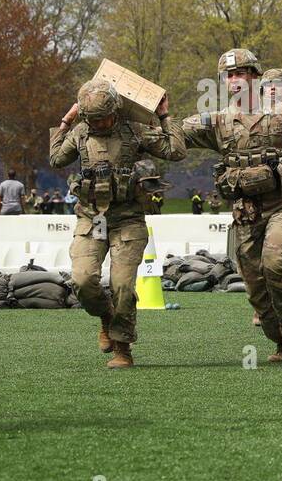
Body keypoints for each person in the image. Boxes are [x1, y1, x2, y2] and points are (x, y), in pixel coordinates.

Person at [182, 49, 282, 361]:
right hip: (246, 210)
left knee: (275, 264)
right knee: (254, 283)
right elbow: (175, 137)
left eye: (241, 73)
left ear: (255, 77)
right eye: (229, 75)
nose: (235, 80)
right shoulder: (218, 121)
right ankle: (278, 336)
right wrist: (157, 113)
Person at [49, 80, 185, 368]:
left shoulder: (134, 131)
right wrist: (66, 120)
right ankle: (106, 316)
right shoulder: (80, 133)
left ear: (116, 110)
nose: (101, 124)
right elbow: (56, 159)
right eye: (94, 119)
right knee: (83, 281)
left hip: (128, 220)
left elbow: (176, 150)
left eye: (105, 117)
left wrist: (164, 116)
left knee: (122, 285)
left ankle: (123, 346)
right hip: (91, 219)